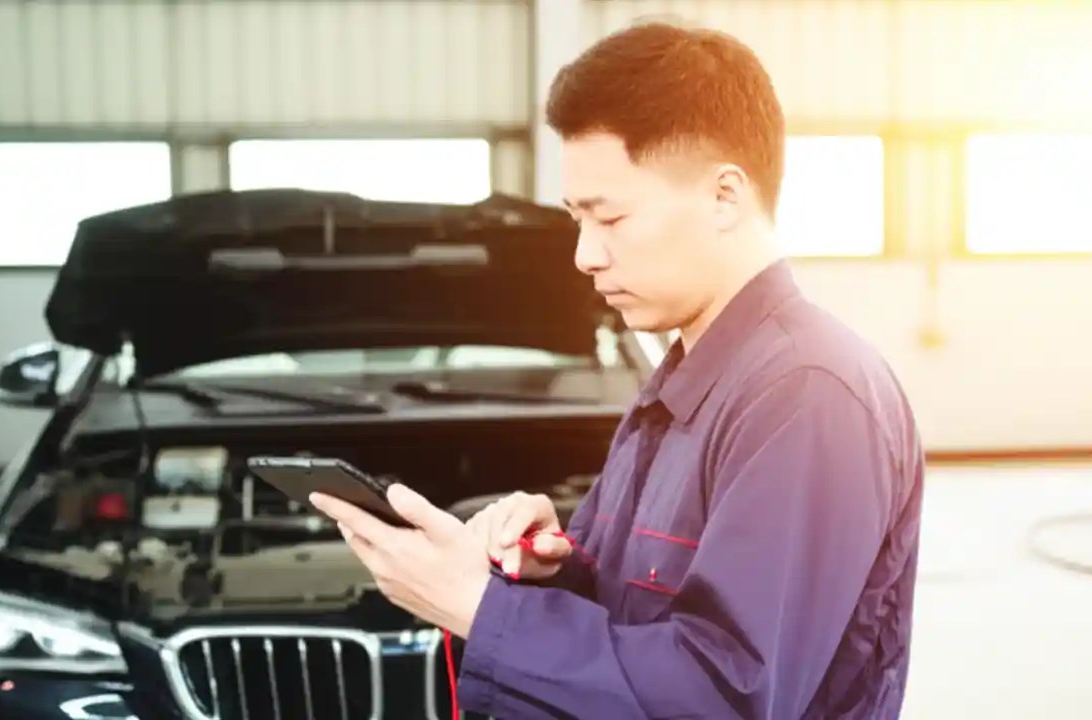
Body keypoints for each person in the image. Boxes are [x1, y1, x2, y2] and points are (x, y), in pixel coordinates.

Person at [311, 20, 924, 720]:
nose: (585, 256)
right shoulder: (682, 384)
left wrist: (478, 610)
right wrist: (552, 568)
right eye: (578, 219)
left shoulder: (808, 396)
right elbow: (636, 617)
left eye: (611, 218)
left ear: (725, 197)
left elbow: (726, 698)